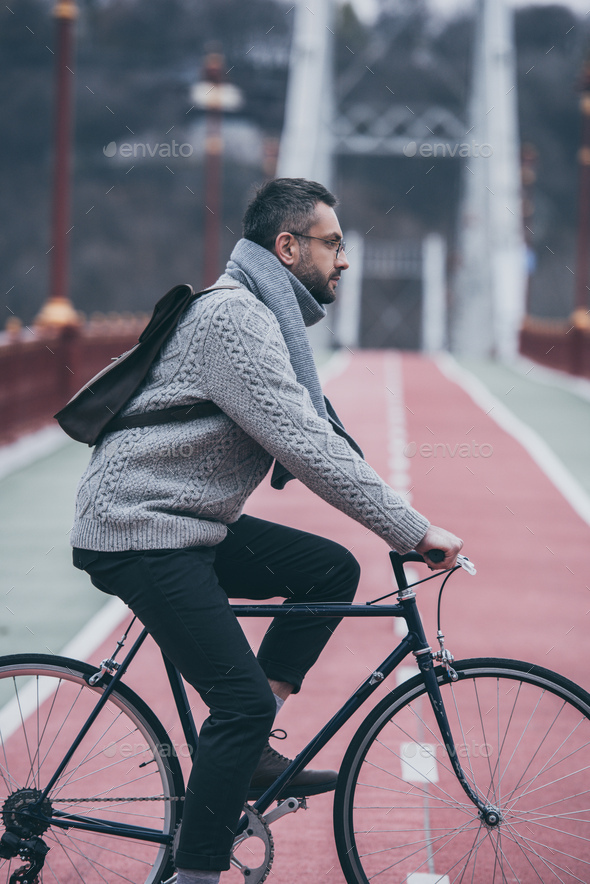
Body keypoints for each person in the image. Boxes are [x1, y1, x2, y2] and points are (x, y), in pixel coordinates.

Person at [71, 177, 462, 884]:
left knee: (328, 571)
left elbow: (316, 439)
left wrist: (397, 522)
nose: (345, 260)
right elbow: (306, 445)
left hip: (185, 523)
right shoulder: (236, 318)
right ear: (286, 247)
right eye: (332, 244)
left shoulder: (263, 316)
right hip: (138, 527)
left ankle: (247, 753)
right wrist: (412, 528)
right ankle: (199, 869)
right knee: (240, 703)